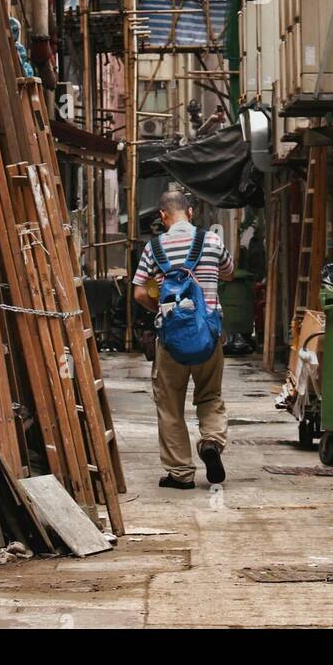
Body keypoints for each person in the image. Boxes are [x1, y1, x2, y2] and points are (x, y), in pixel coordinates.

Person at [133, 188, 234, 489]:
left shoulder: (154, 248)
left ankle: (180, 473)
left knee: (170, 405)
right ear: (190, 213)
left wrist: (162, 312)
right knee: (210, 396)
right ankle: (211, 442)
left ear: (163, 216)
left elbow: (139, 291)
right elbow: (228, 273)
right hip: (209, 336)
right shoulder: (212, 241)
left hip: (171, 340)